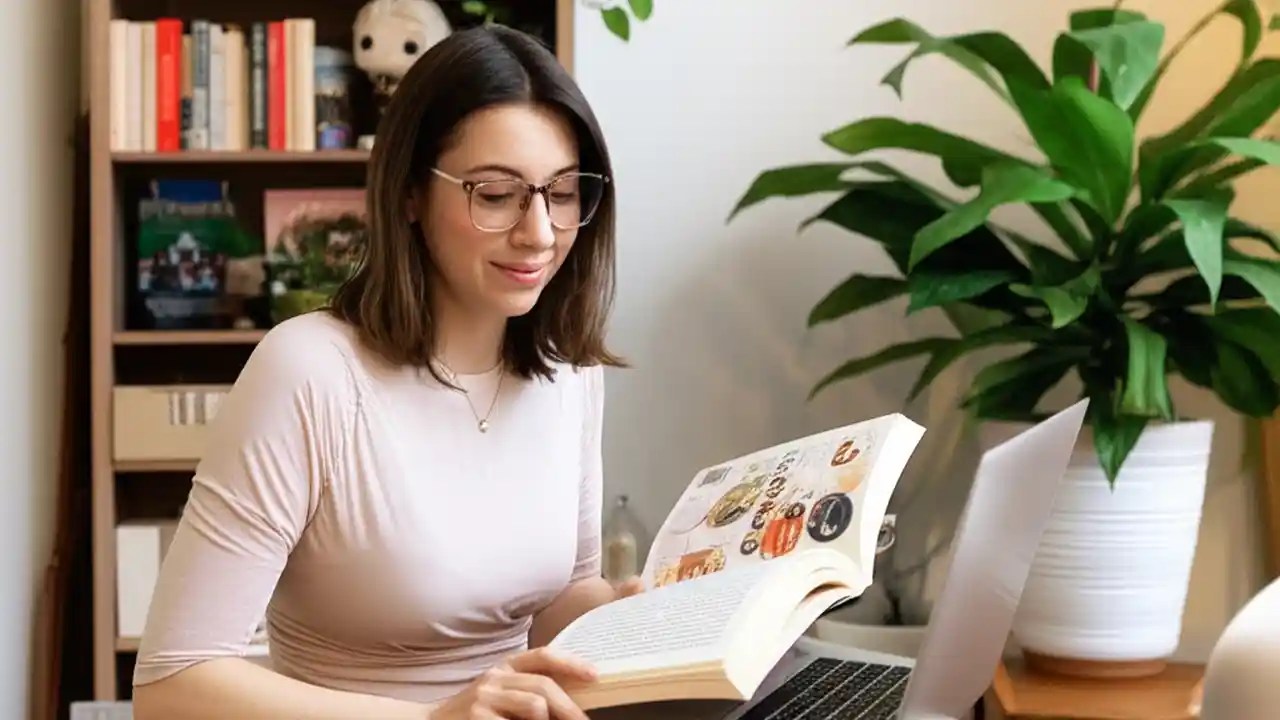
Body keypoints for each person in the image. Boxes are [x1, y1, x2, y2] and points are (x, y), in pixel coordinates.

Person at [131, 24, 642, 720]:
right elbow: (172, 685)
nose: (540, 233)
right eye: (495, 195)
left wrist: (629, 615)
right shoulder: (310, 373)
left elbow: (558, 600)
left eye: (561, 192)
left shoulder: (568, 371)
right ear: (408, 194)